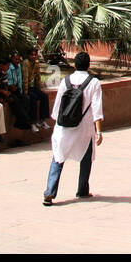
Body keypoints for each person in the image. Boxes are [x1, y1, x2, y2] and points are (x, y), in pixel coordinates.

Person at [43, 52, 103, 206]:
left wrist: (59, 123)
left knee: (58, 157)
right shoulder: (94, 82)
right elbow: (97, 108)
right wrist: (99, 131)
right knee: (86, 157)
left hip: (64, 127)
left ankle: (50, 191)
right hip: (84, 128)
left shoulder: (66, 81)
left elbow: (57, 108)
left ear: (75, 65)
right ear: (88, 65)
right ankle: (82, 190)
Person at [24, 47, 51, 132]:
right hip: (26, 87)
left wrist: (39, 88)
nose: (34, 56)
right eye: (32, 55)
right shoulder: (26, 63)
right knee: (33, 98)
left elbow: (38, 77)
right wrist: (25, 91)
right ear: (28, 55)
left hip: (33, 87)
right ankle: (33, 122)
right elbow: (25, 78)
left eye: (35, 55)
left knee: (44, 96)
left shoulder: (36, 63)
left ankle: (42, 120)